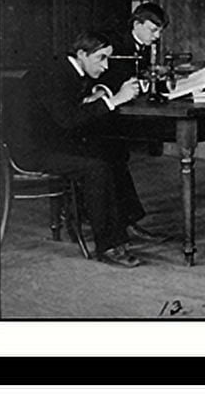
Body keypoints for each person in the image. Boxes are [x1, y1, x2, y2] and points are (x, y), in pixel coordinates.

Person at [9, 31, 160, 267]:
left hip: (48, 140)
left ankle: (123, 223)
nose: (106, 66)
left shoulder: (67, 68)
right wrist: (114, 100)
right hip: (31, 151)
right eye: (101, 58)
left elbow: (65, 113)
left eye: (108, 58)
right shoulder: (55, 73)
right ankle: (108, 246)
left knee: (112, 152)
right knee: (96, 167)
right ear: (81, 54)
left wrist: (99, 96)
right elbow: (68, 120)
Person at [99, 2, 169, 93]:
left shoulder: (149, 44)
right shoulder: (115, 44)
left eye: (160, 32)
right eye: (153, 30)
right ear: (136, 24)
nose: (157, 36)